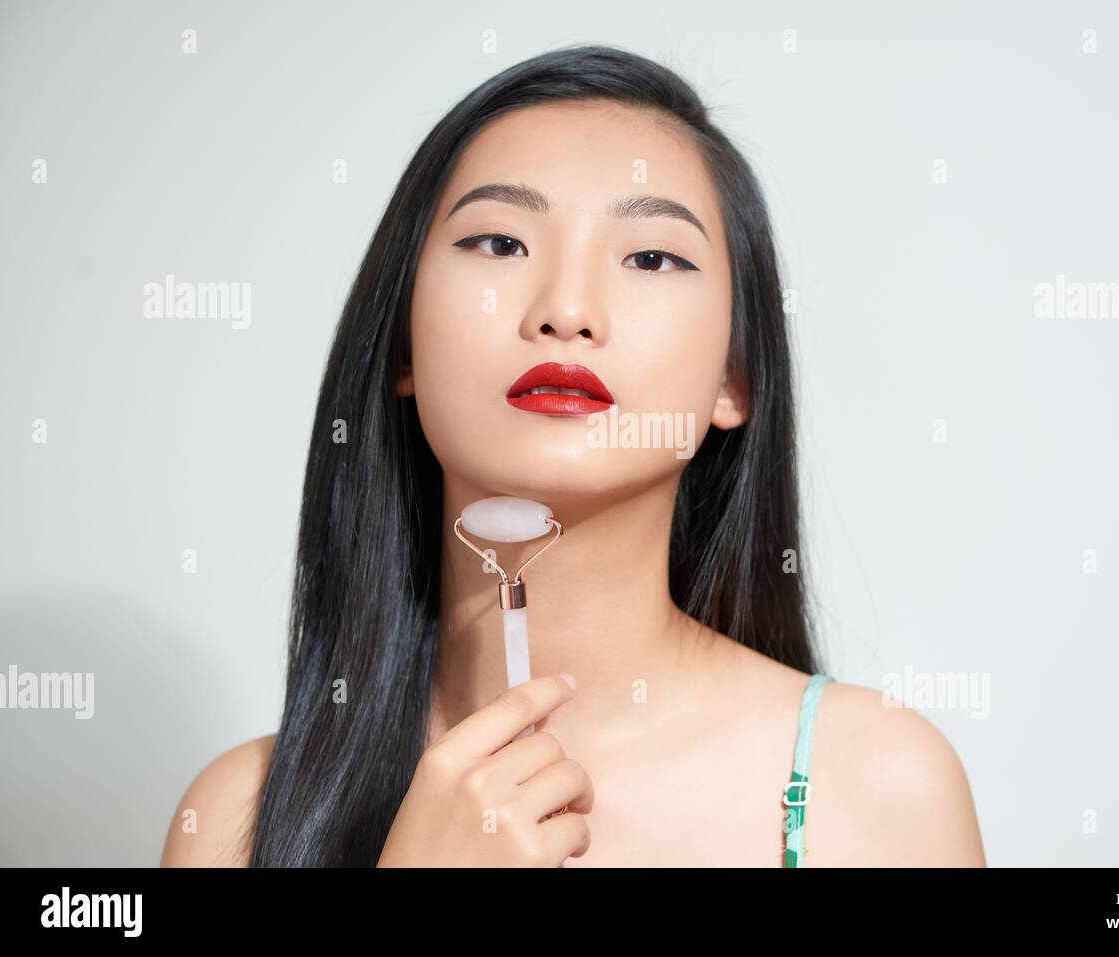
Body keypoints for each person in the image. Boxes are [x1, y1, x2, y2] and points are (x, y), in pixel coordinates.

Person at [160, 43, 986, 868]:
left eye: (652, 257)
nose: (565, 308)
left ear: (735, 378)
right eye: (498, 244)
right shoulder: (236, 820)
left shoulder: (877, 787)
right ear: (405, 343)